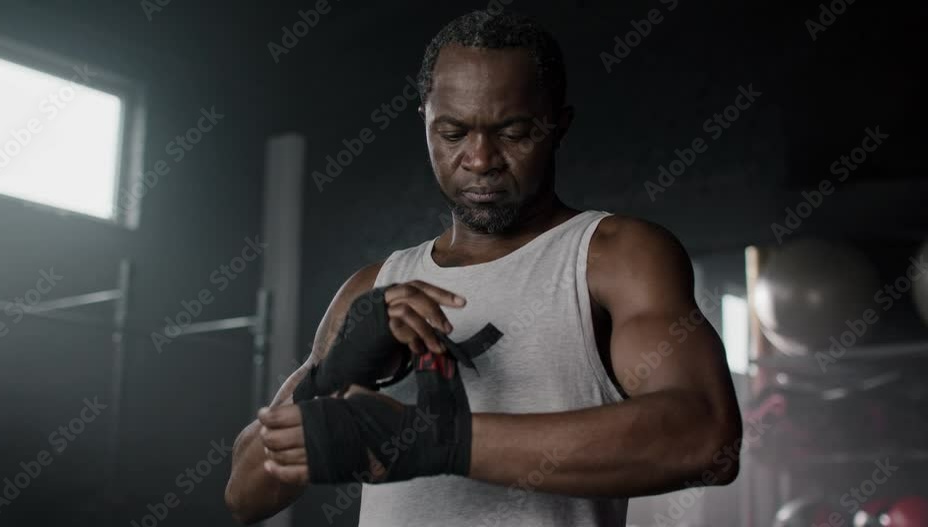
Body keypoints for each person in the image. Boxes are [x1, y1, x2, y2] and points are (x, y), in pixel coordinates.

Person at [225, 10, 742, 526]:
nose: (480, 159)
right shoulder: (375, 284)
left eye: (513, 133)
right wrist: (330, 374)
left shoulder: (613, 257)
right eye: (452, 133)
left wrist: (438, 442)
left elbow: (706, 438)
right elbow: (246, 495)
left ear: (559, 126)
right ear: (425, 121)